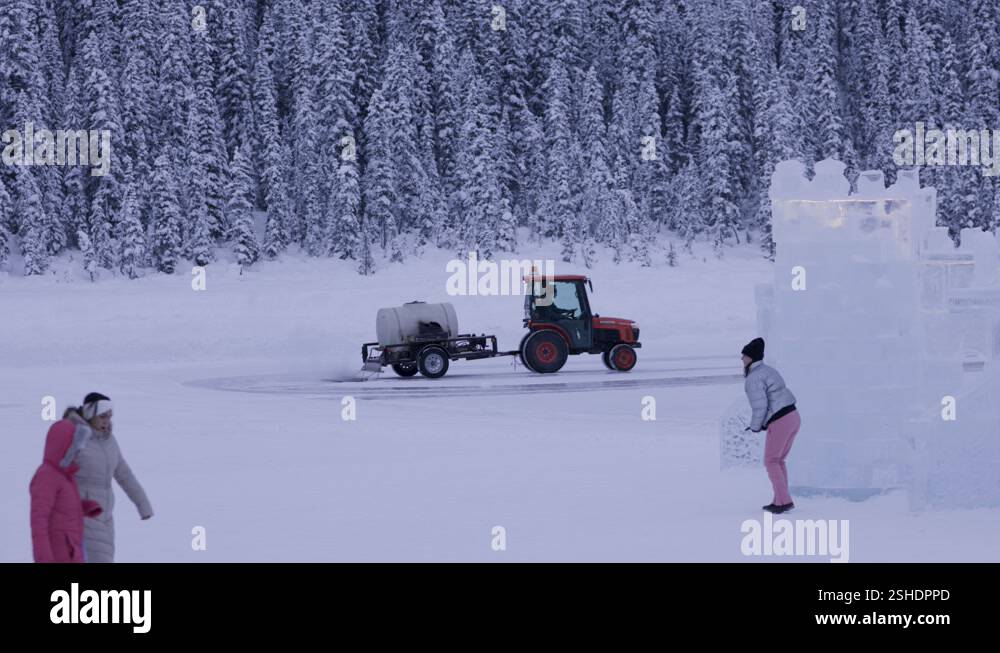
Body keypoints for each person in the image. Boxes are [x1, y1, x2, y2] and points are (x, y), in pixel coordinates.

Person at [66, 392, 153, 563]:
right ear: (90, 414)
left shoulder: (108, 440)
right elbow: (56, 472)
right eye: (103, 416)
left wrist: (143, 505)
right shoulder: (74, 438)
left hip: (106, 514)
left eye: (109, 416)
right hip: (84, 512)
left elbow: (124, 475)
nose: (107, 421)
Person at [30, 417, 103, 562]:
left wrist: (84, 507)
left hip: (72, 552)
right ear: (62, 447)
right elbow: (38, 522)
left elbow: (61, 507)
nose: (77, 454)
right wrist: (44, 559)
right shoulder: (47, 476)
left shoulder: (66, 475)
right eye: (74, 449)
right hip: (58, 556)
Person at [741, 338, 801, 514]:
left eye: (744, 355)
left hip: (780, 419)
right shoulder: (768, 371)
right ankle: (780, 499)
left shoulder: (753, 378)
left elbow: (760, 406)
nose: (742, 359)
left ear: (752, 357)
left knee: (771, 460)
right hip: (793, 416)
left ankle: (784, 501)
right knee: (778, 460)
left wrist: (755, 426)